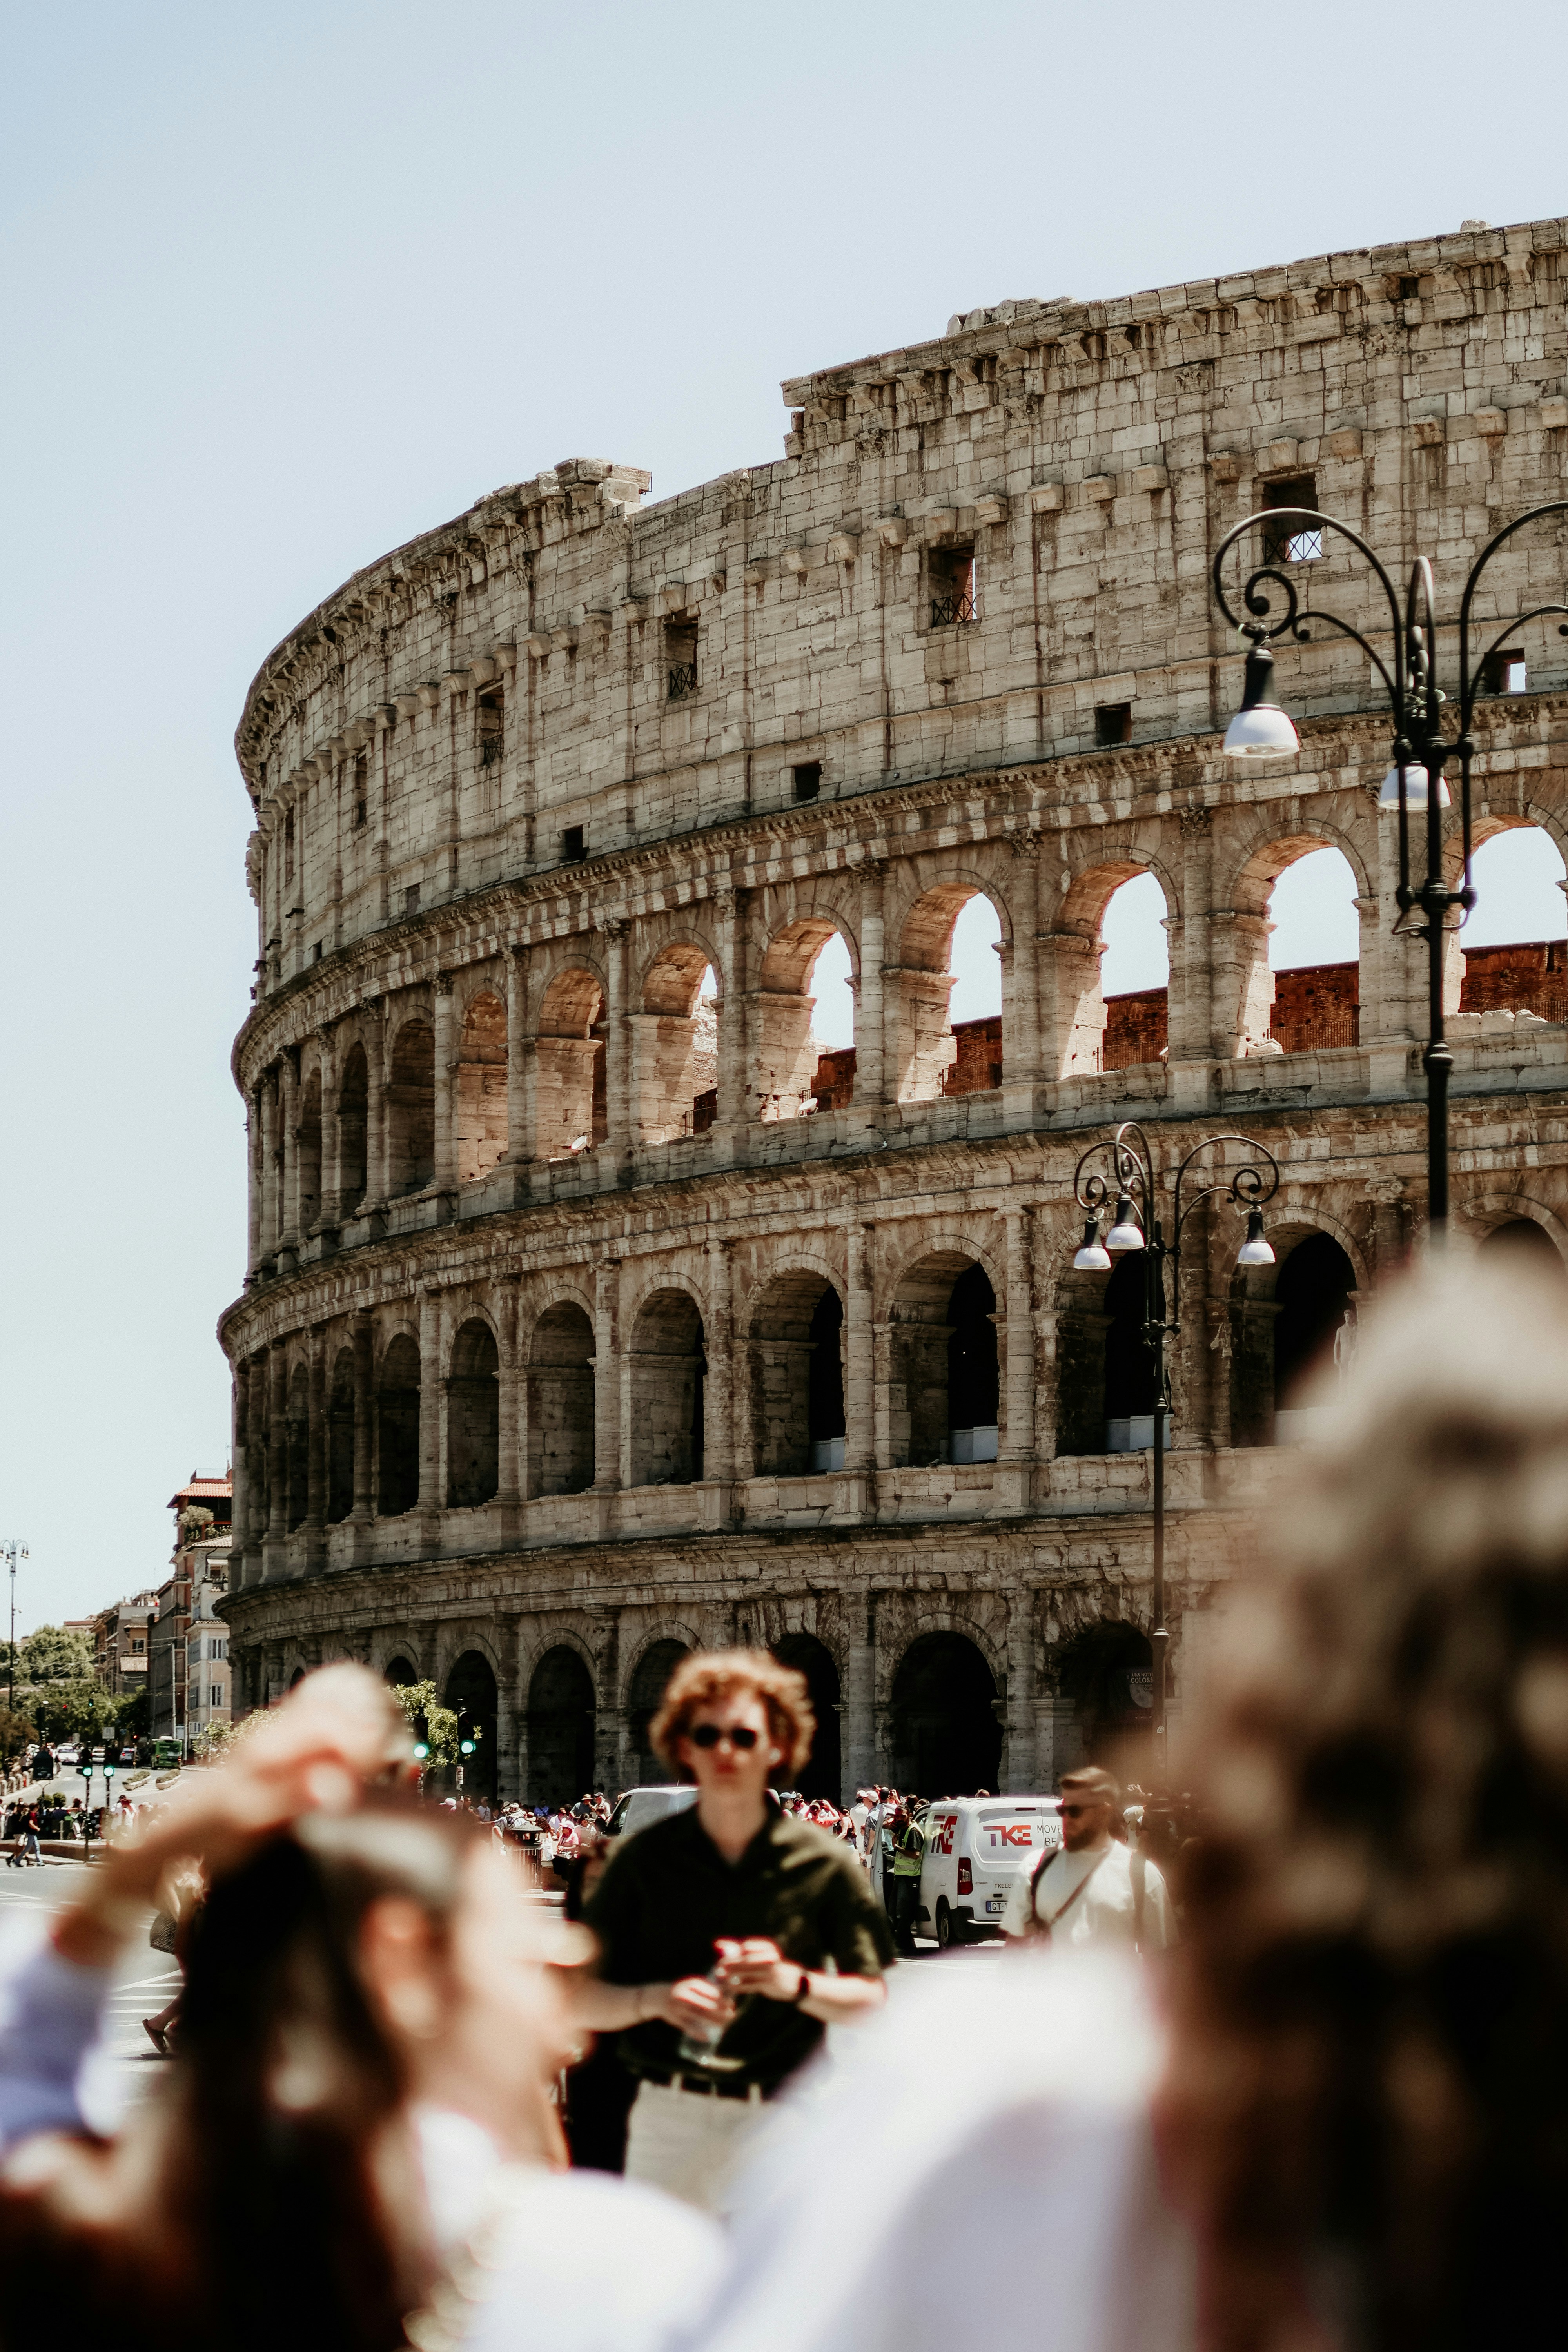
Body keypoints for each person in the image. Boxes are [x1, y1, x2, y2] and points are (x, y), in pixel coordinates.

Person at [0, 1663, 722, 2352]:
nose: (565, 1953)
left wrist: (131, 1875)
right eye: (514, 1937)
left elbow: (23, 2081)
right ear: (401, 1965)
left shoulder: (115, 2238)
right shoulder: (623, 2269)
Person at [575, 1650, 894, 2214]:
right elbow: (582, 1999)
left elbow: (876, 2000)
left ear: (778, 1746)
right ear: (683, 1745)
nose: (725, 1750)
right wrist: (655, 1999)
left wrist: (790, 1982)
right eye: (707, 1734)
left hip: (781, 2116)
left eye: (744, 1736)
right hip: (669, 2115)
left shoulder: (825, 1864)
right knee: (663, 2292)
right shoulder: (641, 1862)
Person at [1002, 1764, 1174, 1952]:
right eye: (1062, 1811)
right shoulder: (1035, 1867)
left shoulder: (1143, 1876)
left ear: (1104, 1812)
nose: (1066, 1819)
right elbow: (1014, 1951)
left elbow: (1161, 1960)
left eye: (1075, 1811)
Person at [887, 1800, 926, 1956]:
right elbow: (885, 1824)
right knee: (892, 1911)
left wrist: (896, 1847)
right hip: (901, 1876)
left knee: (903, 1914)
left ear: (910, 1815)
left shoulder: (913, 1831)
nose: (899, 1819)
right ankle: (907, 1943)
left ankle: (899, 1943)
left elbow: (915, 1855)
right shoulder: (902, 1828)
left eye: (902, 1816)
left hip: (910, 1879)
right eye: (897, 1816)